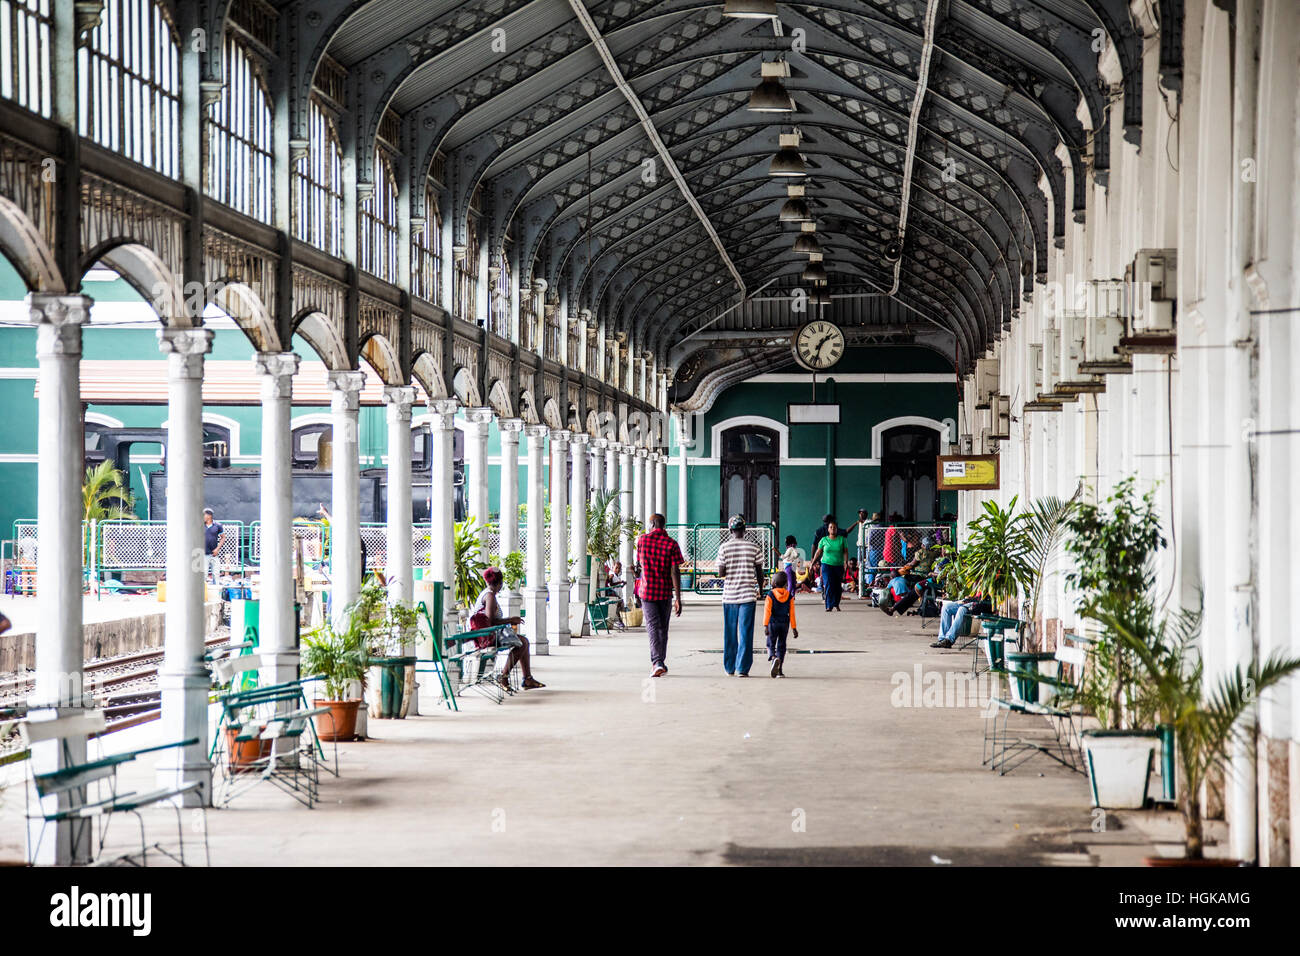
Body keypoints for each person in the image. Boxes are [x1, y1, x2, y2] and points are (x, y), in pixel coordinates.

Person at [469, 567, 544, 690]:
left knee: (523, 642)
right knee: (522, 643)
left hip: (487, 634)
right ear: (500, 583)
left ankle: (527, 679)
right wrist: (511, 620)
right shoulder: (490, 596)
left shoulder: (487, 593)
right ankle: (504, 677)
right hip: (485, 636)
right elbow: (490, 620)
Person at [634, 514, 684, 677]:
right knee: (663, 628)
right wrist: (678, 598)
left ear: (653, 524)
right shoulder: (672, 544)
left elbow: (639, 564)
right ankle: (659, 661)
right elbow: (675, 571)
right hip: (664, 593)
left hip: (647, 592)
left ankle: (657, 662)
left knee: (653, 627)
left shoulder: (642, 541)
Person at [716, 514, 764, 677]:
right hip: (748, 596)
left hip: (729, 596)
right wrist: (761, 591)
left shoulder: (724, 548)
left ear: (730, 530)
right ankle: (742, 668)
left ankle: (729, 667)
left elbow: (721, 572)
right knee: (746, 632)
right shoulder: (754, 547)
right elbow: (760, 573)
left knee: (730, 632)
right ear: (744, 529)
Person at [763, 570, 799, 678]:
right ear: (785, 584)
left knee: (770, 643)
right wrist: (794, 628)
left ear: (773, 583)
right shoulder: (789, 596)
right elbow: (792, 613)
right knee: (782, 645)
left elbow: (767, 611)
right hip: (784, 624)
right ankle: (780, 670)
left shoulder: (770, 595)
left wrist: (765, 625)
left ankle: (773, 658)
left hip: (773, 623)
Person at [810, 518, 848, 612]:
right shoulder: (824, 540)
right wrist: (812, 563)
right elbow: (818, 552)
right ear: (828, 529)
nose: (833, 529)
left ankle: (836, 604)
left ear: (837, 529)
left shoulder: (842, 539)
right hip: (826, 565)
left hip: (838, 565)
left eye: (834, 527)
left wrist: (845, 562)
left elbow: (845, 552)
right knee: (828, 584)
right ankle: (829, 605)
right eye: (831, 527)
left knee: (837, 586)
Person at [202, 509, 224, 584]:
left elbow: (223, 537)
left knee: (216, 574)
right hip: (203, 554)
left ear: (209, 516)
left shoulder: (218, 525)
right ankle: (203, 593)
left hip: (214, 554)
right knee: (204, 574)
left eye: (204, 515)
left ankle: (216, 593)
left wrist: (217, 549)